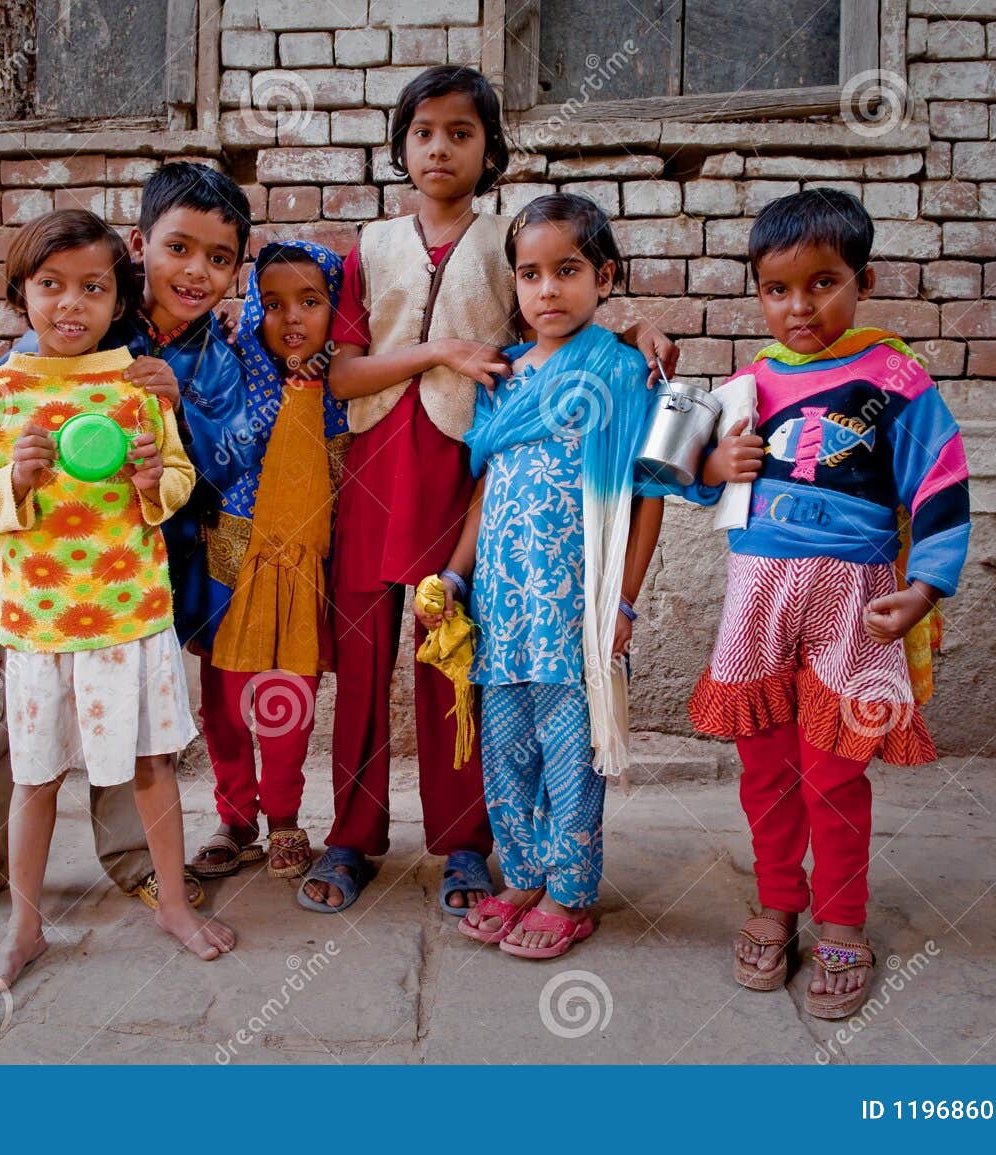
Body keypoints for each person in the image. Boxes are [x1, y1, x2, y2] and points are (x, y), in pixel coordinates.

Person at [305, 65, 679, 916]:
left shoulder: (508, 241)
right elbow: (344, 374)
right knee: (362, 662)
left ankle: (465, 842)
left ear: (491, 149)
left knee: (454, 656)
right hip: (373, 469)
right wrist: (441, 350)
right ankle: (351, 834)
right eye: (423, 132)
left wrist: (637, 327)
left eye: (461, 133)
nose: (440, 148)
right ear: (401, 146)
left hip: (464, 474)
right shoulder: (368, 247)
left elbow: (561, 327)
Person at [0, 164, 257, 920]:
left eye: (218, 258)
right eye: (177, 248)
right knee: (9, 714)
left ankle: (137, 860)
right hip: (40, 571)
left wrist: (179, 412)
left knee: (128, 720)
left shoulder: (219, 353)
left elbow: (228, 459)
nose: (194, 272)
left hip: (146, 563)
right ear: (140, 248)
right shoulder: (86, 311)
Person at [690, 189, 971, 1018]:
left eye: (823, 283)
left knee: (834, 769)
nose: (799, 306)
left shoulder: (893, 378)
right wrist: (715, 467)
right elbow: (678, 469)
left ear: (863, 281)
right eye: (777, 289)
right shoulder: (749, 384)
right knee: (765, 767)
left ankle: (843, 917)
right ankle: (778, 900)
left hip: (856, 598)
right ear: (758, 293)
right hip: (759, 596)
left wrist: (923, 588)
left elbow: (942, 478)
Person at [422, 194, 670, 959]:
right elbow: (486, 490)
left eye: (567, 271)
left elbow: (647, 495)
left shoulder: (621, 369)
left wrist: (623, 601)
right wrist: (454, 578)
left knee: (570, 753)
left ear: (605, 277)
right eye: (530, 274)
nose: (548, 290)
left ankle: (571, 891)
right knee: (507, 751)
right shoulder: (502, 378)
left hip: (575, 606)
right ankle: (524, 875)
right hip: (502, 603)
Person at [192, 241, 348, 881]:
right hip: (231, 563)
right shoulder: (231, 372)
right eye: (274, 303)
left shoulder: (346, 386)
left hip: (303, 573)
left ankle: (284, 817)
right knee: (225, 706)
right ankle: (235, 820)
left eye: (310, 302)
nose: (292, 318)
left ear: (337, 308)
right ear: (255, 308)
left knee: (288, 705)